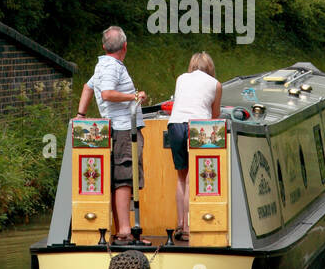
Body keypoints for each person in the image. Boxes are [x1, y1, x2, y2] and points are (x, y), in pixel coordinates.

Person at [76, 26, 148, 245]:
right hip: (123, 128)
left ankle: (120, 230)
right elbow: (106, 94)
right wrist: (133, 96)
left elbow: (88, 88)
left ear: (104, 46)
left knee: (120, 180)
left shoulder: (104, 66)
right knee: (125, 180)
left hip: (119, 127)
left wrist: (81, 114)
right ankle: (125, 231)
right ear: (125, 47)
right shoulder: (111, 67)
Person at [165, 51, 222, 242]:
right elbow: (215, 116)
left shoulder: (181, 78)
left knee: (181, 176)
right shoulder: (215, 84)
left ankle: (180, 223)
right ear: (210, 68)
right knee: (193, 179)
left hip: (175, 125)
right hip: (198, 126)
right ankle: (190, 226)